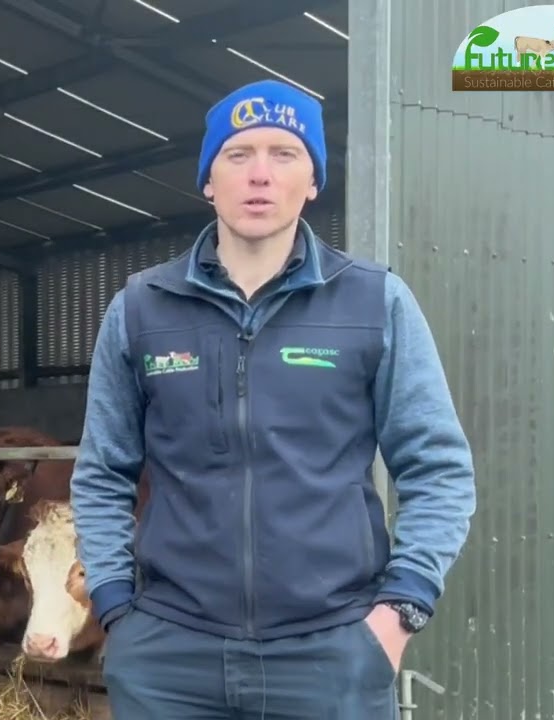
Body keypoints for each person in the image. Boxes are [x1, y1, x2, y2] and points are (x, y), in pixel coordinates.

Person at [68, 78, 477, 718]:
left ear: (312, 180)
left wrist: (399, 612)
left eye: (284, 154)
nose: (260, 174)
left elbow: (438, 467)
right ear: (208, 180)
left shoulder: (376, 302)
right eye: (238, 154)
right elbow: (101, 472)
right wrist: (118, 607)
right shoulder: (141, 310)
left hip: (331, 655)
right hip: (169, 658)